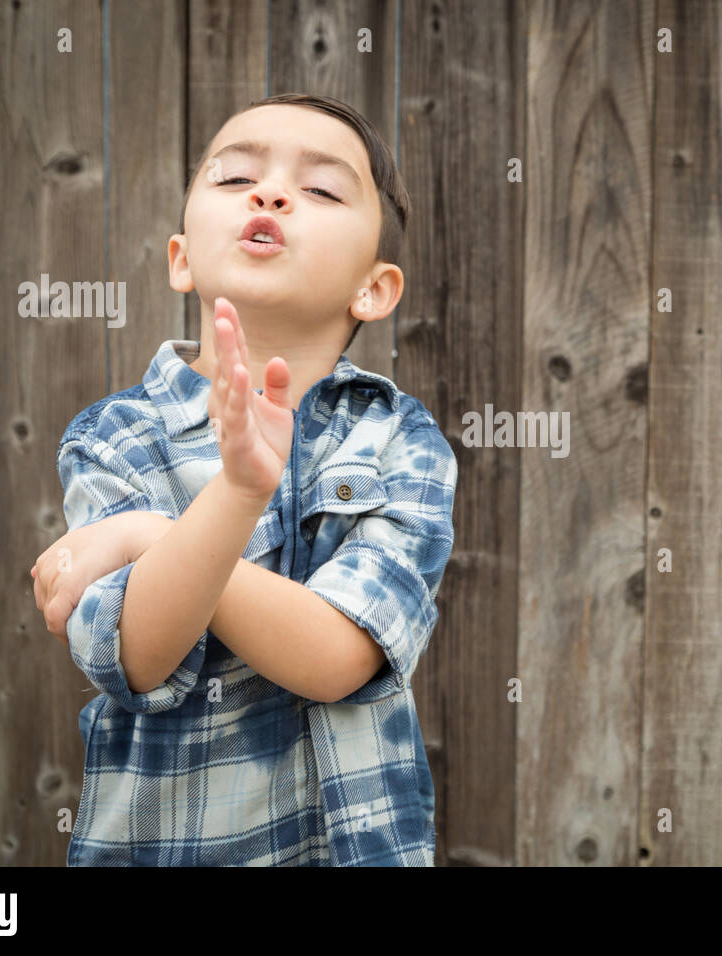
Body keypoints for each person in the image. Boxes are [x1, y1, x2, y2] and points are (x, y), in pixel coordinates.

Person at [29, 93, 456, 866]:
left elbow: (336, 660)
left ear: (375, 288)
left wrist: (154, 536)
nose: (270, 194)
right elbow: (134, 656)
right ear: (182, 258)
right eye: (234, 180)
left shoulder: (398, 438)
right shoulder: (115, 437)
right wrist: (236, 496)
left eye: (322, 189)